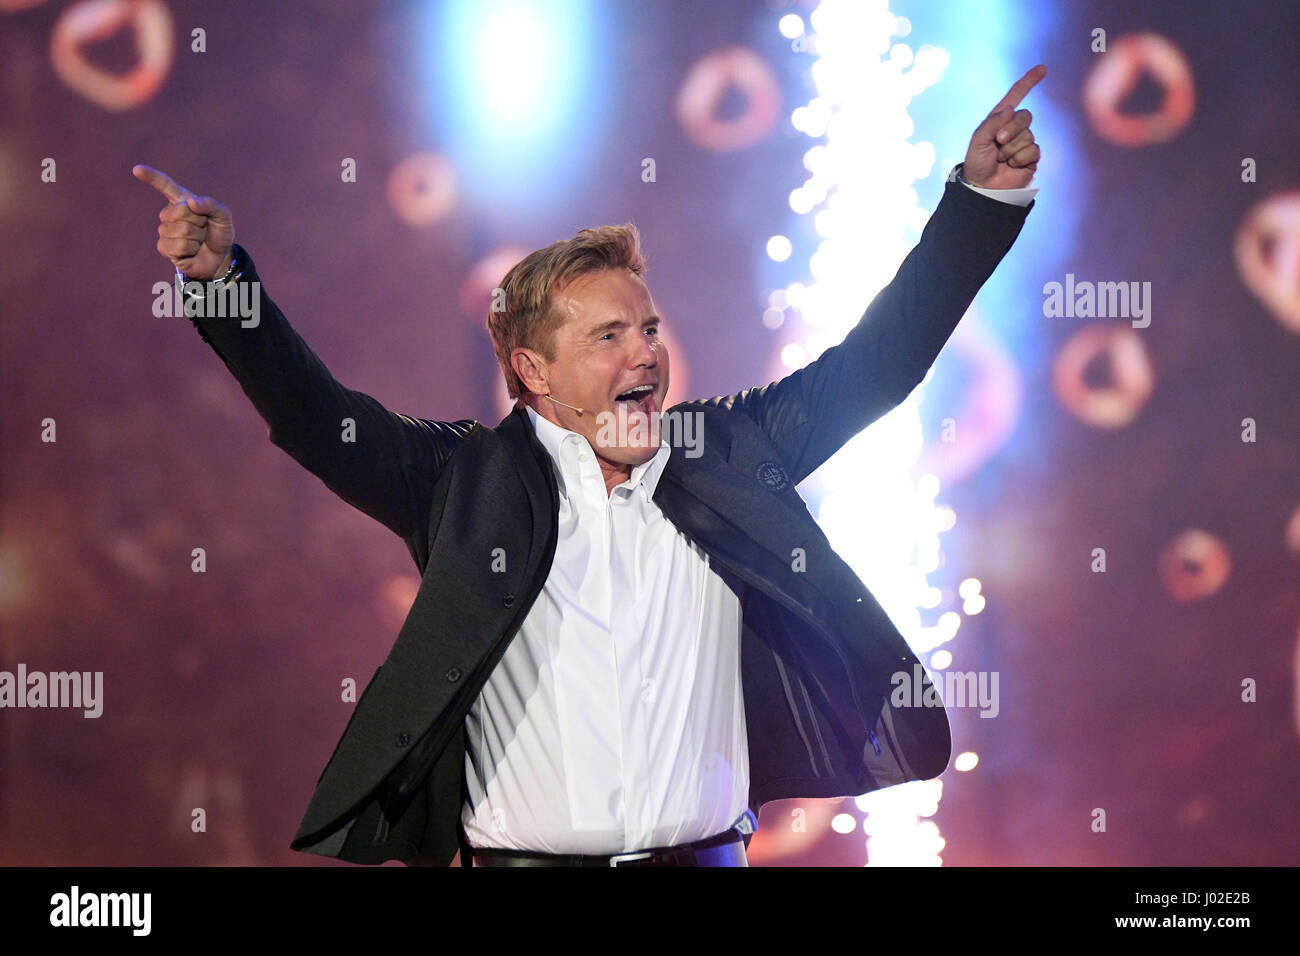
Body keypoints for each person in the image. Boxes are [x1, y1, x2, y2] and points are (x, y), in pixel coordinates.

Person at [133, 65, 1046, 867]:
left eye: (647, 329)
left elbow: (878, 362)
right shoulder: (463, 480)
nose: (644, 354)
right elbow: (313, 414)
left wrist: (979, 201)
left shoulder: (725, 451)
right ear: (533, 370)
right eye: (608, 336)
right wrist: (223, 286)